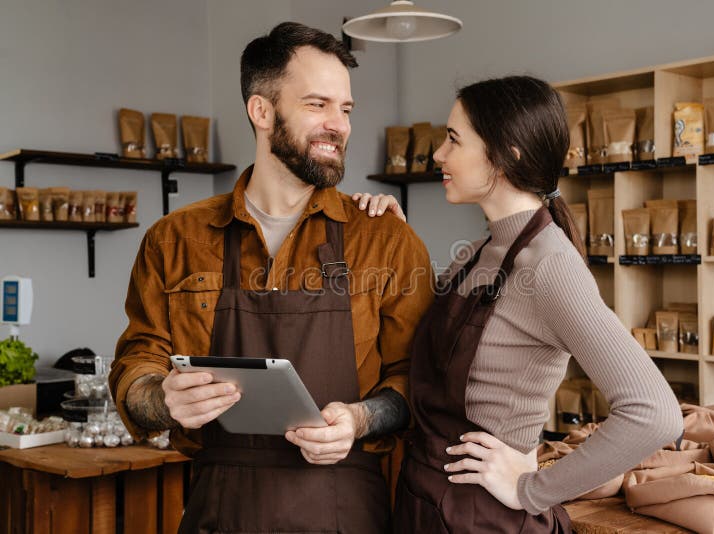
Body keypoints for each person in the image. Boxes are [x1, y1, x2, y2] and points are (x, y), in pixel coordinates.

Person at [109, 22, 433, 534]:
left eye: (345, 109)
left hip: (346, 510)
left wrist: (360, 419)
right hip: (220, 509)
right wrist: (162, 398)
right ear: (261, 111)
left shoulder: (385, 240)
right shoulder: (175, 239)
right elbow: (136, 362)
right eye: (317, 105)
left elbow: (417, 380)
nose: (339, 124)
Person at [353, 75, 684, 533]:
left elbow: (654, 412)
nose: (439, 154)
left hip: (483, 519)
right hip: (423, 505)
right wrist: (388, 234)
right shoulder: (476, 254)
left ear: (507, 155)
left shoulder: (549, 264)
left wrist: (532, 489)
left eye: (454, 140)